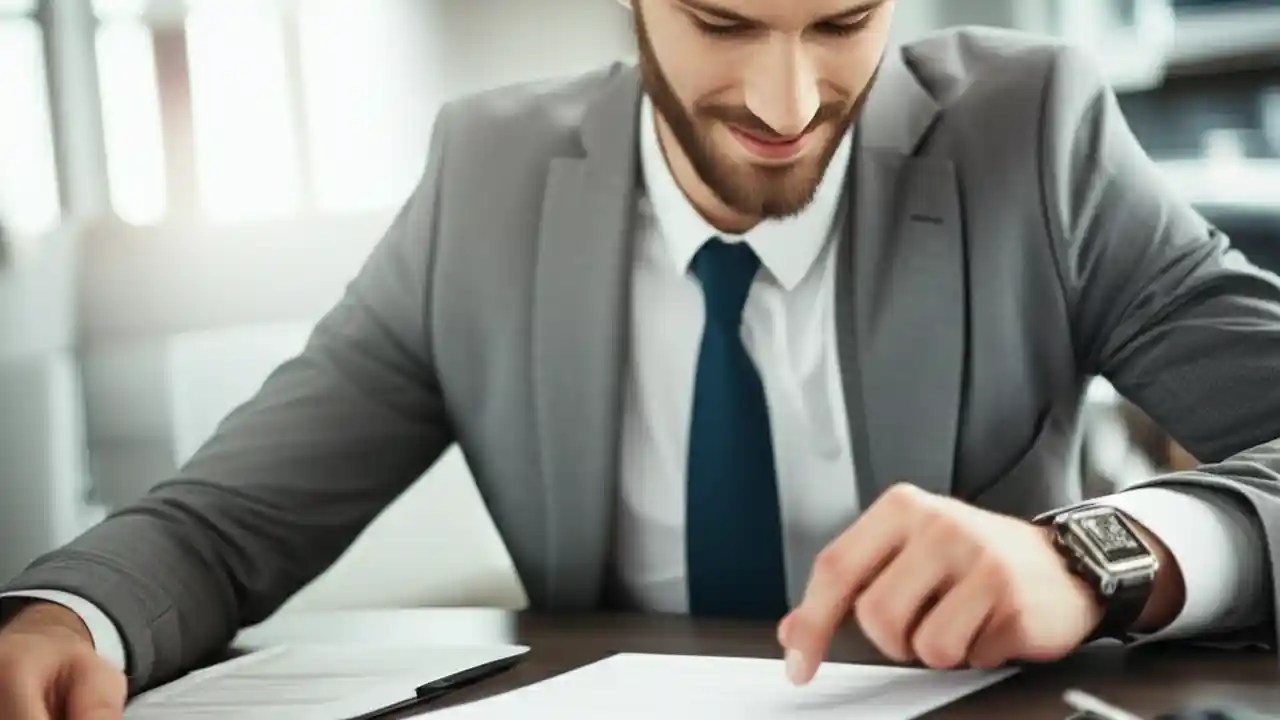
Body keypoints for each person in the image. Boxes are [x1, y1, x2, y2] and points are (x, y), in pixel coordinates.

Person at [4, 0, 1280, 716]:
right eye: (724, 22)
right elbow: (226, 523)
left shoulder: (1031, 133)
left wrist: (1096, 555)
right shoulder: (485, 181)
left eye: (840, 24)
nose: (788, 106)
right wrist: (72, 614)